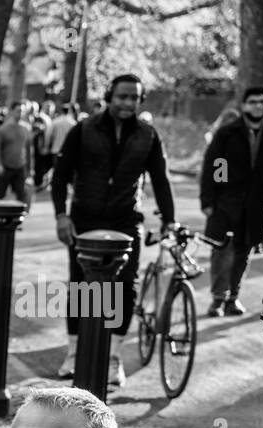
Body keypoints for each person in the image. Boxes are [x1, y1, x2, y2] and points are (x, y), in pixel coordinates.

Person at [50, 74, 176, 387]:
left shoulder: (148, 135)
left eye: (134, 98)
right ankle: (75, 352)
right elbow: (60, 175)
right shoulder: (84, 129)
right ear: (109, 96)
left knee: (124, 288)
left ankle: (113, 355)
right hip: (85, 218)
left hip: (126, 220)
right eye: (122, 96)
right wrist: (61, 216)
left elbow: (160, 180)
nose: (128, 103)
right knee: (81, 287)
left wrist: (169, 220)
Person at [200, 86, 263, 318]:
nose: (258, 106)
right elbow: (215, 165)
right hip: (227, 203)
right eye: (253, 101)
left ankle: (233, 297)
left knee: (244, 251)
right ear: (244, 105)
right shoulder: (228, 133)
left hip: (257, 206)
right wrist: (211, 199)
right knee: (223, 251)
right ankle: (218, 299)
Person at [0, 102, 32, 204]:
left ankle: (18, 216)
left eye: (22, 111)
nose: (21, 113)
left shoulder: (26, 128)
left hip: (20, 166)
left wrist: (29, 169)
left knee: (21, 194)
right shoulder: (3, 129)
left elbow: (28, 150)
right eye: (18, 111)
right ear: (12, 111)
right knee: (0, 194)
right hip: (6, 167)